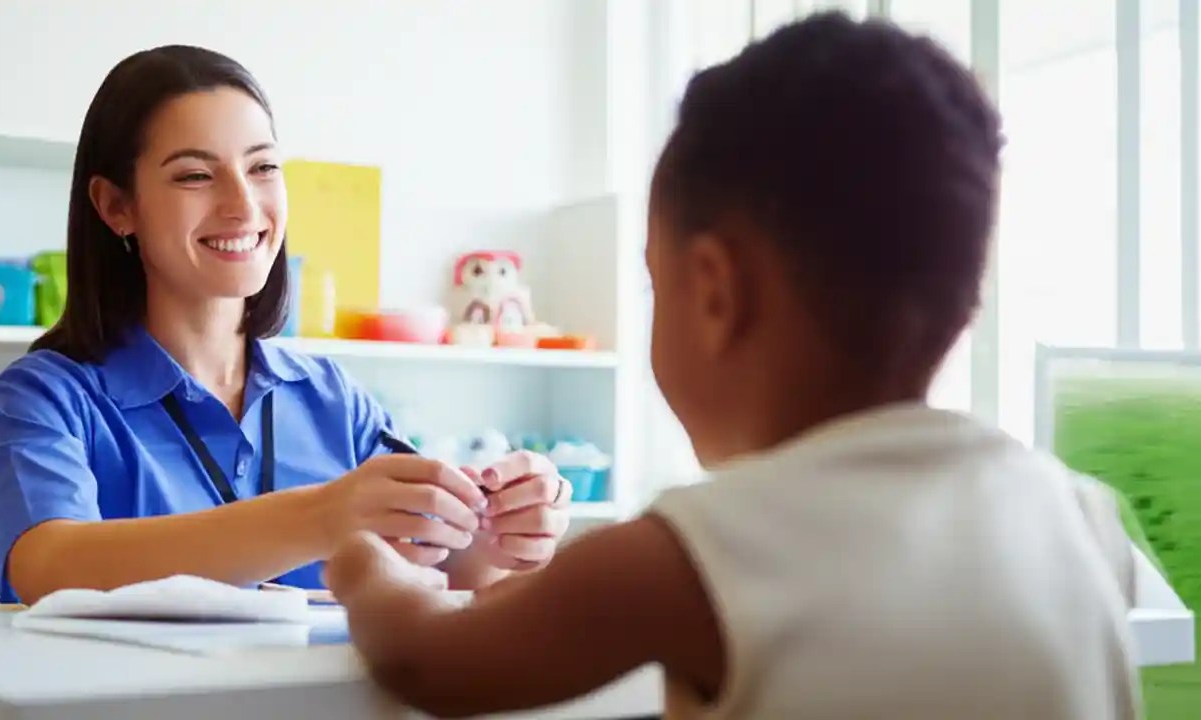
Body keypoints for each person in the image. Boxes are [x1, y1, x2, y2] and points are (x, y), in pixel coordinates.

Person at [323, 13, 1142, 720]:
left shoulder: (692, 550)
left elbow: (427, 660)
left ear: (715, 290)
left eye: (654, 282)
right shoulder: (1084, 518)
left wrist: (369, 571)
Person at [0, 44, 571, 606]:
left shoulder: (331, 398)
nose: (243, 205)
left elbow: (442, 565)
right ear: (116, 207)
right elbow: (48, 567)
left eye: (263, 167)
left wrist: (498, 532)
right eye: (194, 175)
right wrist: (319, 518)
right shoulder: (46, 396)